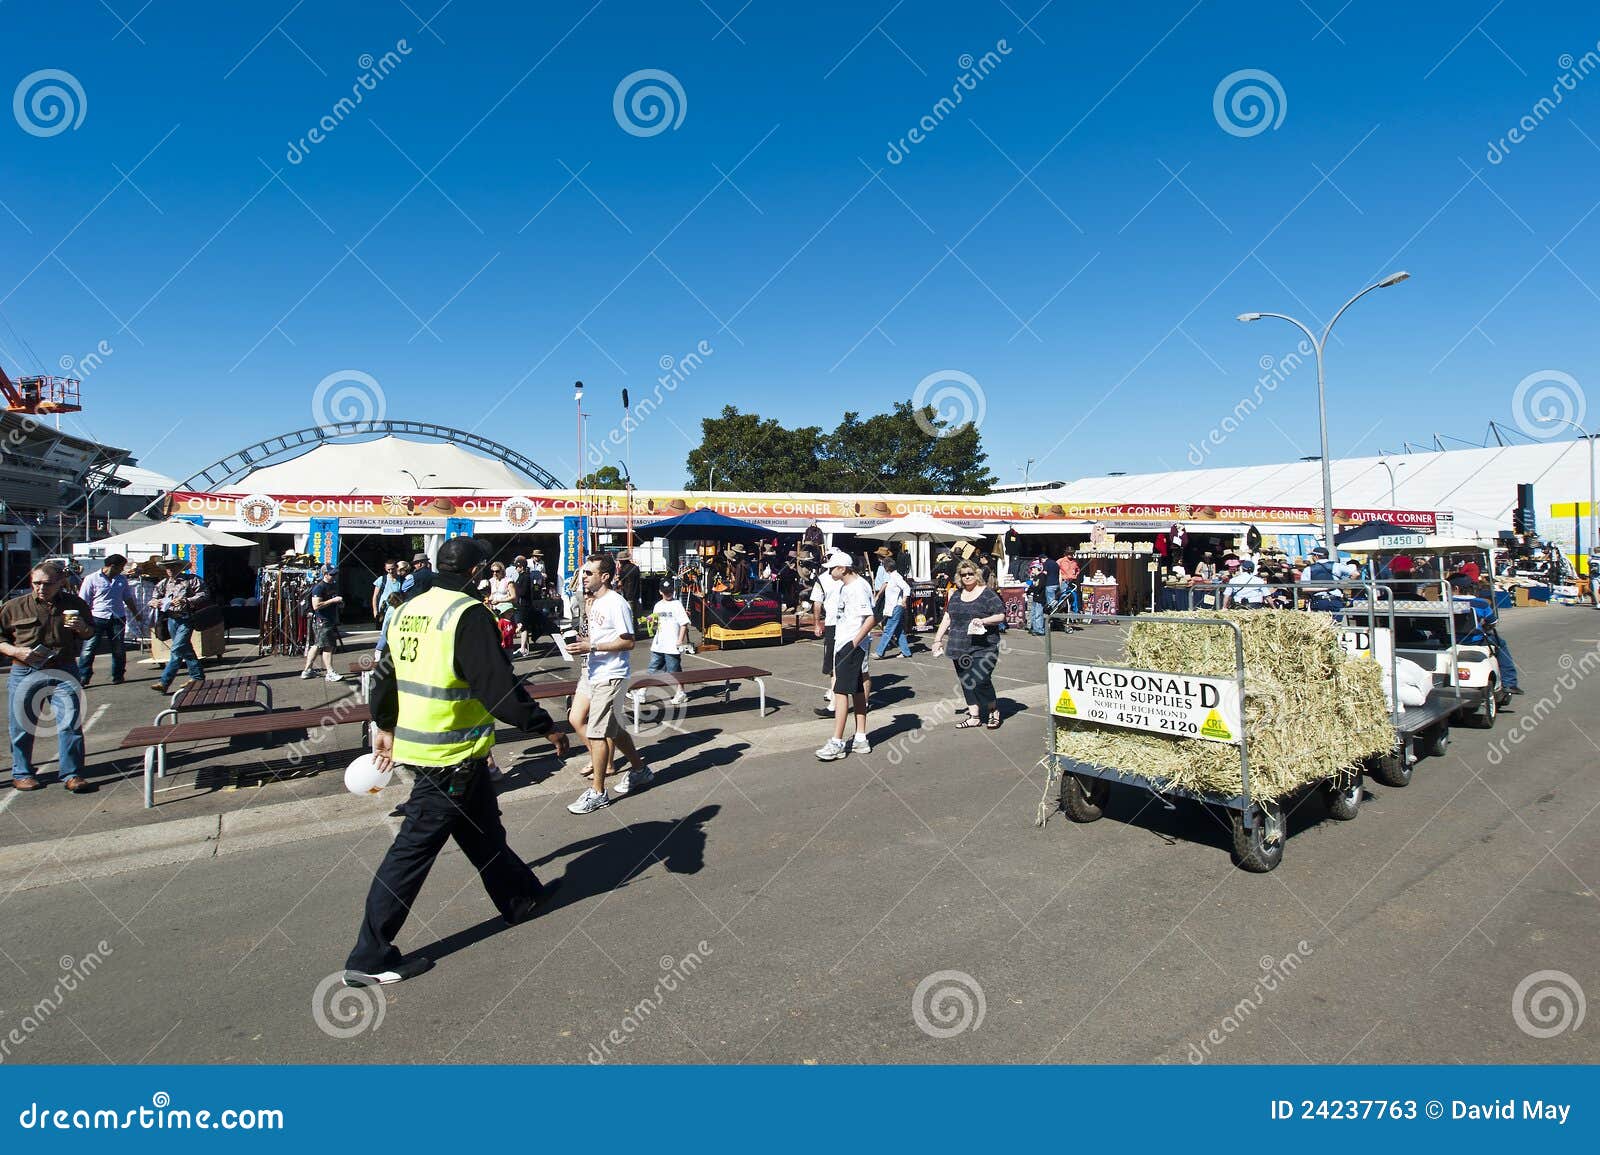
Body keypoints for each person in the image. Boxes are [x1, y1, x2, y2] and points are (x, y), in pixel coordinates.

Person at [343, 536, 570, 987]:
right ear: (476, 571)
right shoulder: (468, 614)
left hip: (435, 748)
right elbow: (496, 686)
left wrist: (383, 724)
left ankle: (520, 897)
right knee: (410, 853)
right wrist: (544, 725)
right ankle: (369, 958)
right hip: (449, 755)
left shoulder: (412, 607)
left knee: (483, 830)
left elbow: (385, 674)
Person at [567, 554, 654, 814]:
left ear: (604, 576)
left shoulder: (616, 604)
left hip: (611, 674)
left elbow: (628, 642)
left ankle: (598, 791)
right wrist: (581, 642)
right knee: (584, 720)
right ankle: (640, 769)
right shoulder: (593, 602)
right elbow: (599, 636)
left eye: (588, 573)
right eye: (583, 573)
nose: (583, 577)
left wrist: (592, 645)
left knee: (598, 732)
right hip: (591, 670)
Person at [3, 563, 94, 793]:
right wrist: (15, 651)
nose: (40, 588)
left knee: (70, 723)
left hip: (64, 668)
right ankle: (22, 773)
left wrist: (82, 627)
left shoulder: (75, 604)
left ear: (60, 582)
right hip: (25, 670)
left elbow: (90, 633)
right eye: (36, 583)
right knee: (22, 725)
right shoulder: (14, 607)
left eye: (47, 583)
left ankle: (72, 774)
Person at [931, 559, 1006, 729]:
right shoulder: (956, 594)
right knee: (966, 680)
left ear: (977, 574)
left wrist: (984, 620)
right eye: (963, 575)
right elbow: (947, 617)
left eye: (970, 574)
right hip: (959, 645)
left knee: (980, 679)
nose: (967, 577)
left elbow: (1000, 615)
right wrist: (937, 640)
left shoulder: (987, 594)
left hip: (984, 645)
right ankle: (974, 716)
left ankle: (993, 709)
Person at [815, 550, 875, 760]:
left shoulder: (857, 587)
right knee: (857, 691)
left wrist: (853, 642)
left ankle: (837, 741)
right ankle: (860, 738)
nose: (830, 571)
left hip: (850, 645)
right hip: (845, 642)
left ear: (843, 568)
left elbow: (870, 617)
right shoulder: (848, 586)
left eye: (832, 568)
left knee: (840, 692)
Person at [1450, 574, 1523, 695]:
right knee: (1501, 644)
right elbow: (1493, 622)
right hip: (1474, 640)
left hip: (1449, 639)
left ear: (1456, 588)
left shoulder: (1446, 602)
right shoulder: (1481, 603)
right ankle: (1509, 683)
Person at [151, 555, 213, 693]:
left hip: (187, 617)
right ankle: (197, 676)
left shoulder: (192, 580)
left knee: (177, 648)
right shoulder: (163, 583)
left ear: (180, 567)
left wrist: (186, 600)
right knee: (185, 648)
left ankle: (164, 681)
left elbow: (204, 594)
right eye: (168, 567)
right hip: (171, 619)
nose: (170, 569)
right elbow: (154, 598)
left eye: (173, 566)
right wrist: (155, 603)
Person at [76, 554, 139, 685]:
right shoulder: (91, 579)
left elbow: (127, 598)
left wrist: (136, 613)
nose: (122, 570)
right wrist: (83, 619)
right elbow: (83, 601)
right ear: (112, 566)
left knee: (118, 648)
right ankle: (83, 676)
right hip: (97, 617)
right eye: (121, 567)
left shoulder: (121, 580)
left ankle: (118, 675)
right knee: (89, 648)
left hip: (117, 618)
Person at [632, 578, 692, 705]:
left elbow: (684, 624)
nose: (668, 594)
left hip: (672, 645)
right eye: (665, 592)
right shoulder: (658, 605)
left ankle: (681, 692)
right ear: (660, 591)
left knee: (673, 670)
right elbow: (656, 621)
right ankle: (642, 692)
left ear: (673, 591)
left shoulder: (677, 605)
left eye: (670, 591)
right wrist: (650, 621)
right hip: (659, 644)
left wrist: (680, 640)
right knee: (652, 668)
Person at [300, 566, 344, 682]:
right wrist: (333, 601)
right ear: (325, 574)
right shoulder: (319, 588)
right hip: (322, 620)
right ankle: (329, 672)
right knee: (328, 646)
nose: (334, 576)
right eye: (332, 574)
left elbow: (332, 600)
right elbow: (316, 606)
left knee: (318, 645)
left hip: (329, 619)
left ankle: (307, 670)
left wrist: (338, 603)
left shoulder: (333, 586)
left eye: (335, 574)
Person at [874, 557, 913, 659]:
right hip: (894, 606)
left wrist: (904, 600)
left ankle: (879, 652)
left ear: (887, 568)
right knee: (898, 630)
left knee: (889, 629)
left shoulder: (896, 577)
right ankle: (906, 652)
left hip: (896, 606)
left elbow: (906, 587)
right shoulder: (892, 576)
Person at [374, 590, 404, 658]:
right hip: (384, 650)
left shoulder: (390, 609)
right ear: (398, 601)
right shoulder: (395, 612)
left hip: (380, 649)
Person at [615, 549, 641, 616]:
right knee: (634, 617)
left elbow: (619, 583)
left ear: (621, 561)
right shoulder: (635, 568)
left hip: (627, 596)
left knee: (628, 615)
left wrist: (618, 572)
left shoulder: (623, 570)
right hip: (636, 595)